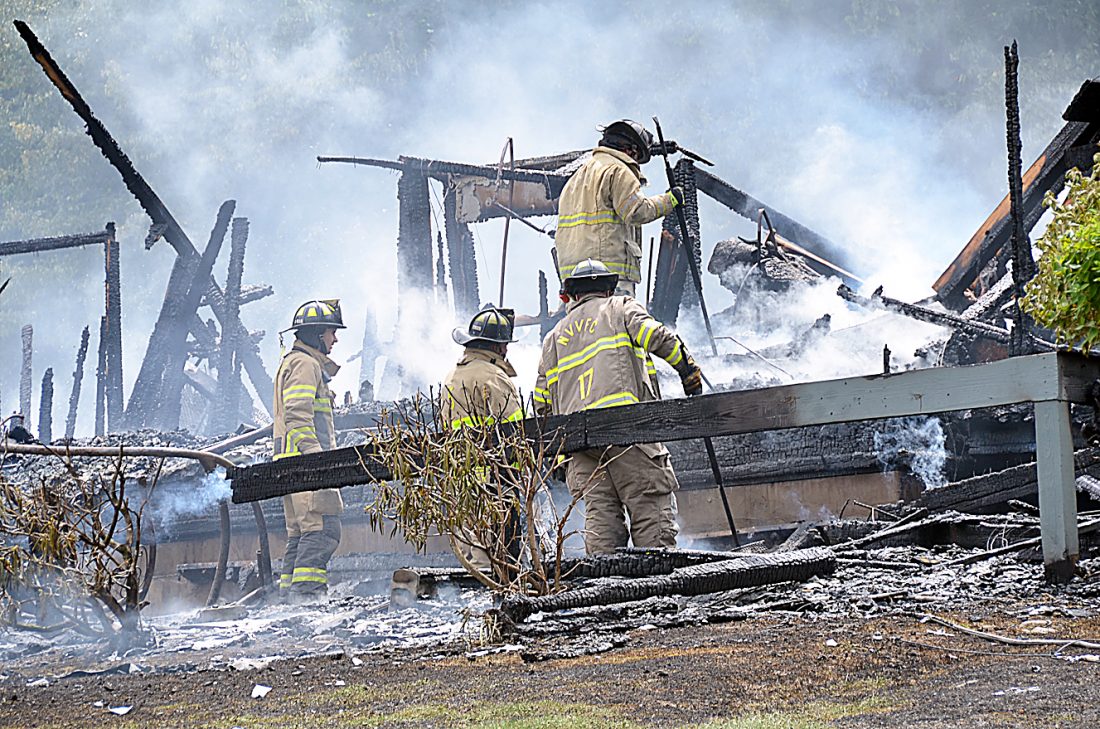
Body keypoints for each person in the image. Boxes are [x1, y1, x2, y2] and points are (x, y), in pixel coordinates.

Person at [534, 259, 703, 554]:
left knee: (601, 523)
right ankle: (657, 590)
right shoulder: (620, 307)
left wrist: (560, 456)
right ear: (608, 288)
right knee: (651, 511)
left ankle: (608, 591)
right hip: (628, 432)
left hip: (582, 448)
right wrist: (688, 372)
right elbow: (658, 337)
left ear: (572, 294)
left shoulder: (553, 339)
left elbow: (541, 406)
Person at [554, 119, 683, 297]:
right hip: (607, 277)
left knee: (582, 324)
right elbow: (637, 211)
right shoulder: (618, 170)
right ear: (631, 150)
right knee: (616, 323)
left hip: (573, 280)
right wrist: (670, 200)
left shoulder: (575, 179)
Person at [441, 307, 525, 570]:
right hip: (492, 474)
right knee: (490, 548)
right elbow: (515, 433)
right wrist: (523, 472)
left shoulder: (452, 377)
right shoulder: (493, 377)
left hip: (459, 472)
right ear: (499, 347)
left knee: (469, 537)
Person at [273, 299, 345, 602]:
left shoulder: (292, 362)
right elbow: (298, 415)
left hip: (291, 465)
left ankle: (289, 601)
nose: (335, 339)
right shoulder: (305, 364)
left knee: (301, 534)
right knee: (323, 530)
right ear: (317, 335)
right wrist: (318, 461)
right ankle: (308, 598)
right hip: (306, 465)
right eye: (331, 332)